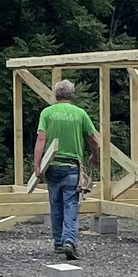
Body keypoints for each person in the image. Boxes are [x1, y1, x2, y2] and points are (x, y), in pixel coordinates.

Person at [31, 78, 100, 259]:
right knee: (70, 205)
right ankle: (69, 241)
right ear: (72, 95)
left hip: (52, 166)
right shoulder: (80, 114)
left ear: (56, 95)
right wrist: (95, 156)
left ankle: (59, 243)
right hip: (72, 167)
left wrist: (37, 165)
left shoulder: (47, 113)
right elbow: (94, 140)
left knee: (56, 205)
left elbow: (41, 139)